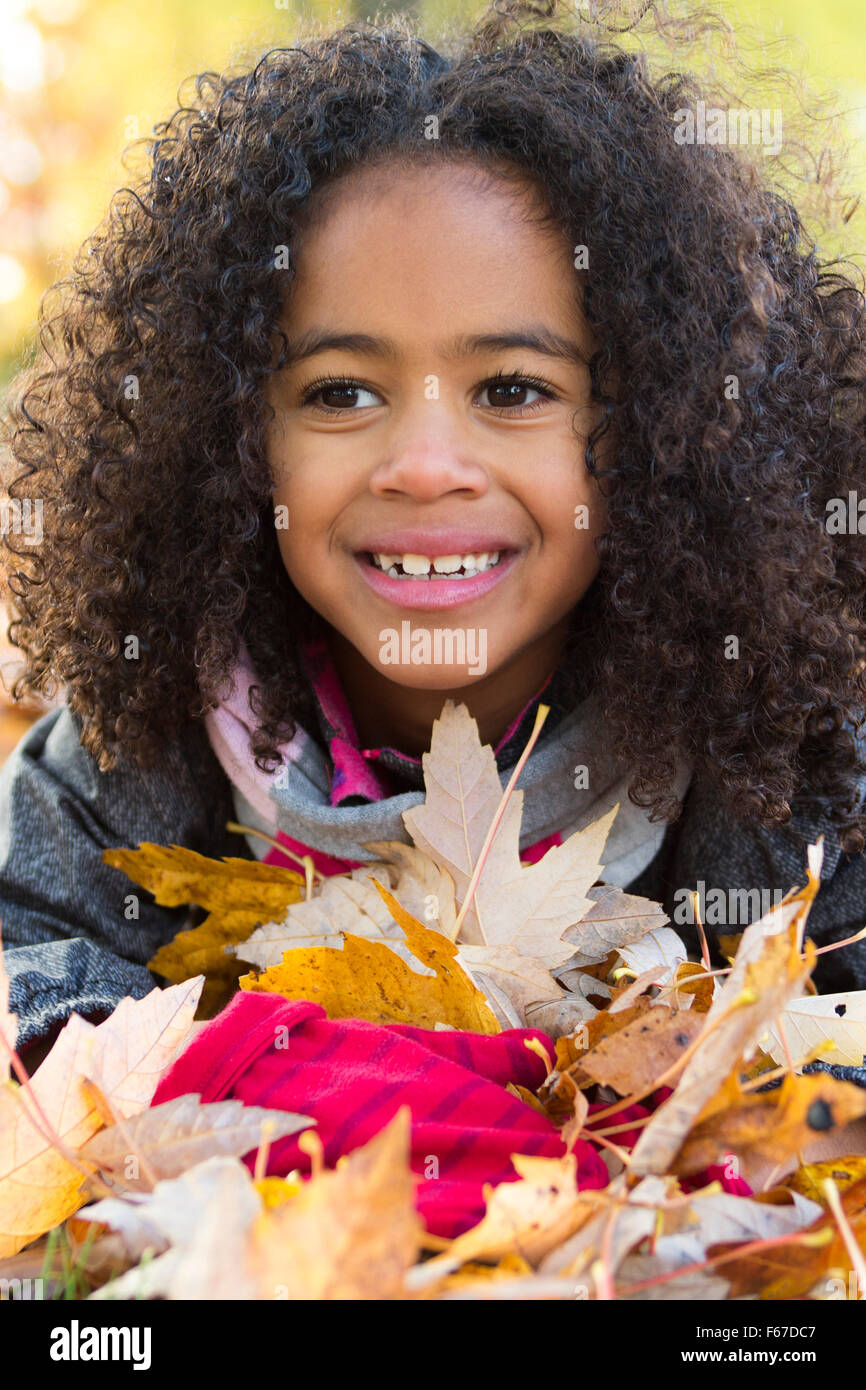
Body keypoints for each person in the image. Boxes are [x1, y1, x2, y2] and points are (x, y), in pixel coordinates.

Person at [2, 0, 865, 1090]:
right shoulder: (158, 721)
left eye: (511, 389)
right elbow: (21, 962)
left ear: (669, 432)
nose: (421, 463)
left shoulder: (769, 743)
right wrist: (244, 1083)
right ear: (228, 435)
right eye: (339, 390)